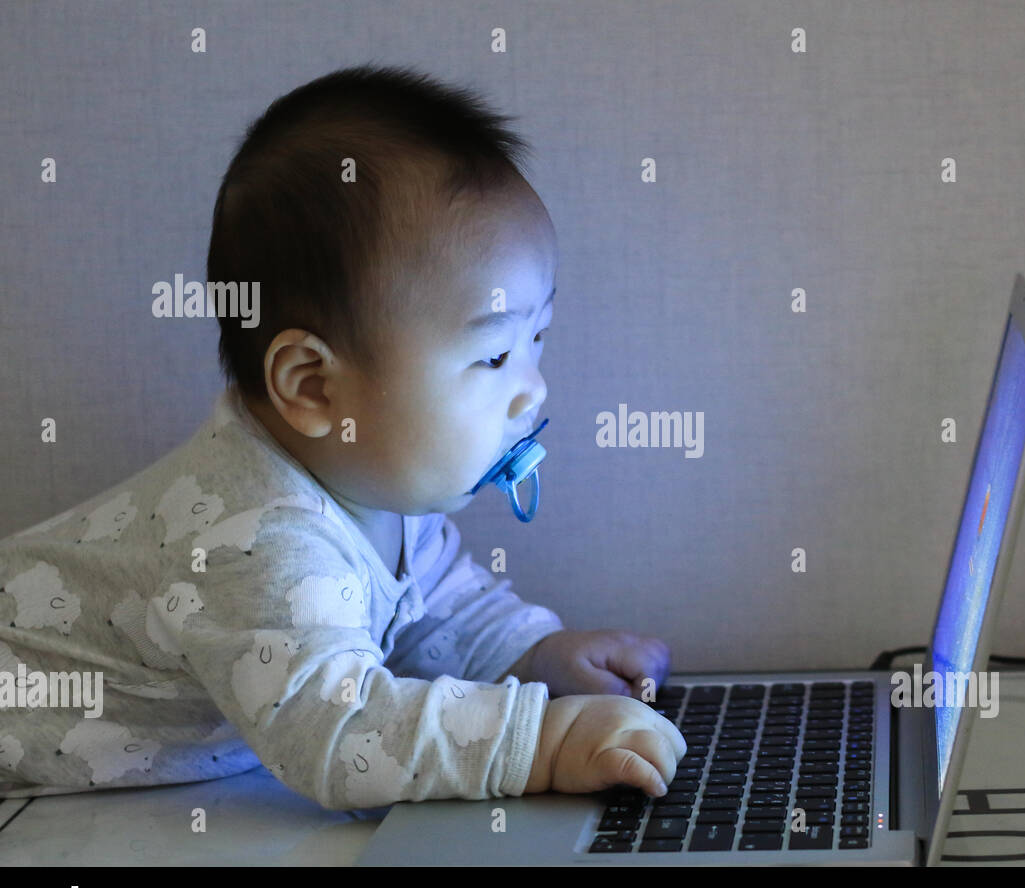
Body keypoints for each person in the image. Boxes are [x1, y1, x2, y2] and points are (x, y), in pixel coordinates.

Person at [0, 65, 685, 810]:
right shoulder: (250, 540)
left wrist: (535, 652)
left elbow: (441, 608)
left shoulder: (371, 486)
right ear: (314, 385)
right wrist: (546, 742)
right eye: (493, 355)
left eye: (538, 337)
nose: (535, 387)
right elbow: (341, 733)